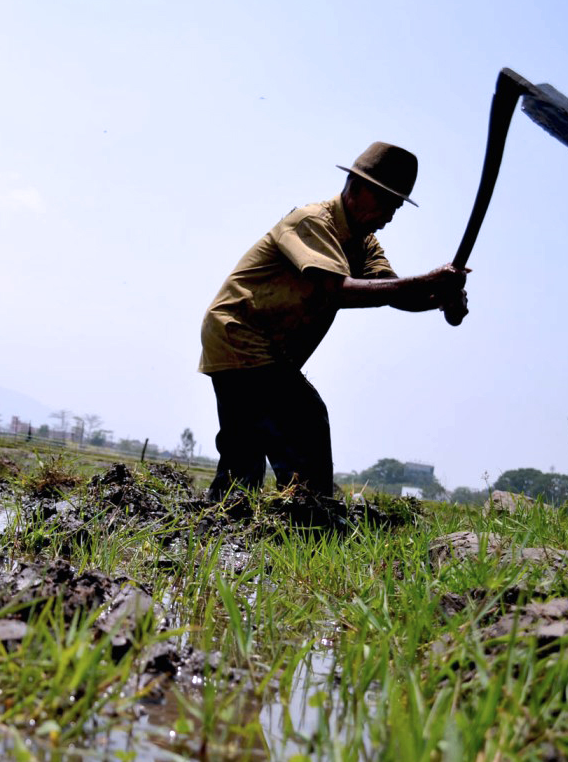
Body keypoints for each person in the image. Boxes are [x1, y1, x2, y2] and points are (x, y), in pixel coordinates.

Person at [197, 141, 468, 503]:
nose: (390, 214)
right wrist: (426, 283)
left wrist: (442, 298)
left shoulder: (364, 243)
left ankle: (222, 525)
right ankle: (311, 518)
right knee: (304, 419)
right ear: (355, 188)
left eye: (397, 205)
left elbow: (391, 291)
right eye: (385, 201)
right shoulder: (312, 221)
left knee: (243, 451)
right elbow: (335, 289)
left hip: (263, 345)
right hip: (240, 332)